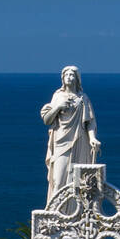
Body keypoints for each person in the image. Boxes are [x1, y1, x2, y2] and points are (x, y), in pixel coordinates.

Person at [40, 65, 101, 204]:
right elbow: (47, 119)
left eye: (72, 75)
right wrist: (58, 106)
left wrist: (92, 138)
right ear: (62, 78)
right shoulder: (58, 96)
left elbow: (89, 122)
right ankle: (56, 214)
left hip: (80, 140)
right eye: (66, 75)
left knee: (79, 179)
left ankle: (76, 214)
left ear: (77, 79)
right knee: (58, 179)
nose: (69, 77)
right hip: (61, 141)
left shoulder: (83, 98)